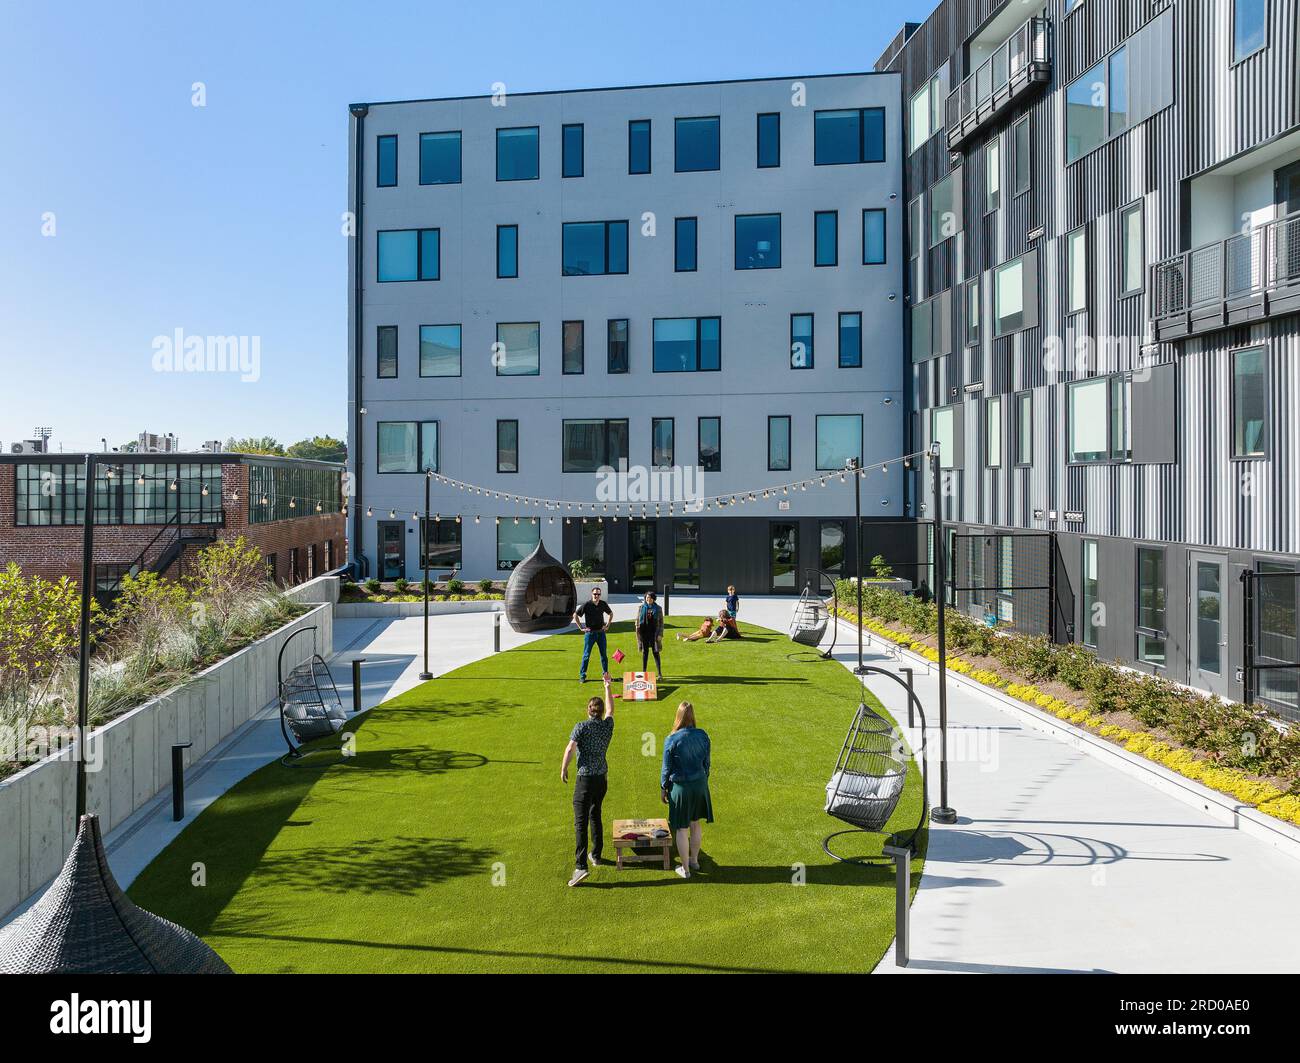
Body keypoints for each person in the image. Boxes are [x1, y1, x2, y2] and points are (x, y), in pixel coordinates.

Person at [561, 675, 615, 886]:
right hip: (601, 779)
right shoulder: (607, 726)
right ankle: (596, 855)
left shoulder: (581, 727)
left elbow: (570, 748)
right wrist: (607, 687)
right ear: (600, 713)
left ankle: (580, 867)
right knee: (596, 815)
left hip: (584, 780)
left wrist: (564, 767)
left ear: (588, 710)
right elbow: (611, 710)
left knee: (580, 822)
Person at [660, 701, 713, 879]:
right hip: (699, 784)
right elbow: (707, 763)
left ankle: (685, 869)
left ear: (678, 716)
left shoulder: (672, 739)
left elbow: (666, 769)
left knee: (682, 829)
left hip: (681, 788)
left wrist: (663, 788)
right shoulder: (703, 735)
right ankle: (694, 860)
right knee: (695, 823)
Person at [572, 586, 613, 683]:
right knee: (586, 655)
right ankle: (582, 675)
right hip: (590, 634)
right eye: (595, 594)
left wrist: (607, 626)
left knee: (604, 655)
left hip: (601, 633)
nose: (596, 596)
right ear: (592, 594)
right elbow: (575, 615)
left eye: (598, 594)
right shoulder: (587, 604)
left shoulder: (603, 604)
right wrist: (581, 627)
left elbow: (611, 614)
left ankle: (605, 674)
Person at [636, 590, 664, 676]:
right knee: (645, 653)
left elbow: (661, 623)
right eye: (647, 597)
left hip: (654, 634)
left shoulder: (658, 608)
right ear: (645, 598)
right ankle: (644, 672)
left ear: (654, 599)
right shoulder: (641, 607)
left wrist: (660, 634)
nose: (649, 599)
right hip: (644, 633)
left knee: (656, 653)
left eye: (651, 597)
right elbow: (637, 620)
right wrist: (638, 632)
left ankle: (659, 673)